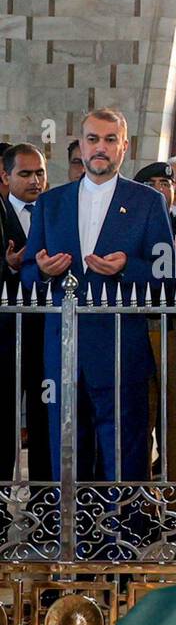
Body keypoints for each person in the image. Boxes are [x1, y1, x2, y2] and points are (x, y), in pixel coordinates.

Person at [21, 109, 175, 558]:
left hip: (120, 349)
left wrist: (130, 269)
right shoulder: (52, 203)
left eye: (110, 139)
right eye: (93, 139)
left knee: (124, 451)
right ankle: (68, 543)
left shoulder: (148, 203)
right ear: (81, 146)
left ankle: (123, 543)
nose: (101, 148)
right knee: (64, 449)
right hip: (61, 351)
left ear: (124, 147)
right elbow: (28, 274)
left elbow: (166, 274)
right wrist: (44, 272)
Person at [135, 160, 176, 483]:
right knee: (138, 416)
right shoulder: (128, 227)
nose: (162, 189)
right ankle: (138, 500)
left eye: (167, 183)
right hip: (138, 329)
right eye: (153, 183)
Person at [0, 144, 51, 486]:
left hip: (46, 333)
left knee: (45, 418)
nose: (35, 181)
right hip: (4, 337)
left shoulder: (56, 208)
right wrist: (7, 265)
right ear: (5, 176)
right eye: (25, 174)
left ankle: (46, 505)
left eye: (40, 173)